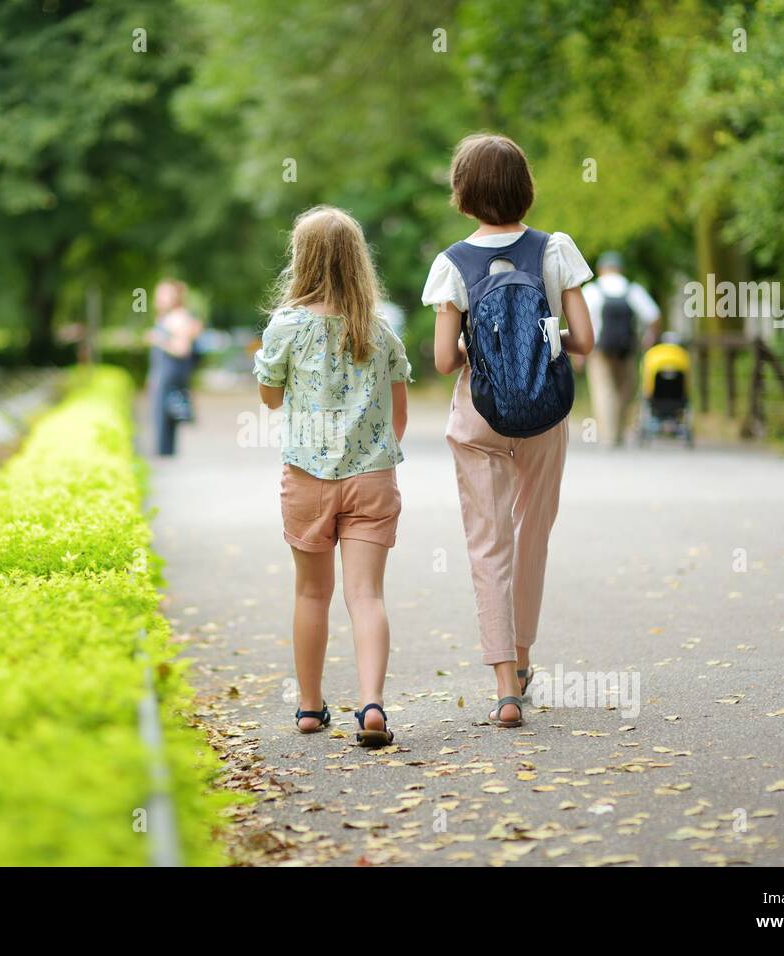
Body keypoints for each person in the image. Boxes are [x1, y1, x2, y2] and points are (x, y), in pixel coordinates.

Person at [422, 132, 595, 729]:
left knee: (487, 545)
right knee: (532, 536)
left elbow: (445, 360)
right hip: (545, 413)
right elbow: (586, 341)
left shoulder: (452, 265)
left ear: (463, 195)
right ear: (525, 188)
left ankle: (504, 689)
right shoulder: (555, 249)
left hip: (479, 417)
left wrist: (484, 344)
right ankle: (523, 659)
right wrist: (538, 342)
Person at [253, 206, 411, 748]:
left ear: (301, 260)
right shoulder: (380, 329)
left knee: (311, 593)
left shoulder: (286, 328)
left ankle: (309, 706)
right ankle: (371, 705)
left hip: (307, 478)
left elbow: (271, 398)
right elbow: (400, 415)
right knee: (367, 596)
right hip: (372, 475)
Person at [580, 251, 662, 447]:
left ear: (601, 269)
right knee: (627, 389)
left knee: (603, 390)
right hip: (627, 348)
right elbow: (654, 317)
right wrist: (647, 340)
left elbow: (581, 321)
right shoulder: (632, 289)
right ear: (620, 268)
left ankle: (609, 436)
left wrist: (579, 353)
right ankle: (619, 433)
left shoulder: (592, 290)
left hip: (598, 349)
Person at [146, 279, 203, 457]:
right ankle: (164, 455)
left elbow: (181, 349)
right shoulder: (167, 317)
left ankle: (165, 460)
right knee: (162, 420)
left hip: (169, 375)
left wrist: (158, 340)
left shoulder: (178, 318)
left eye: (164, 293)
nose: (159, 298)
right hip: (163, 373)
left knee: (164, 421)